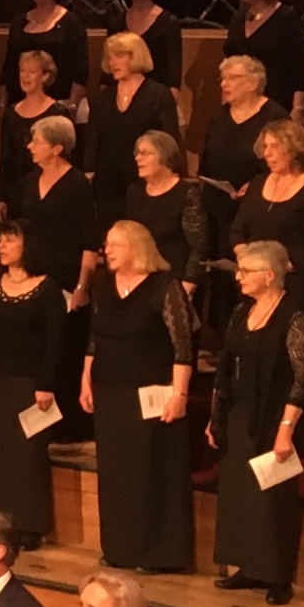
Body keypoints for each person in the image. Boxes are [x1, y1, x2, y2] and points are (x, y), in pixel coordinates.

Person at [84, 220, 195, 572]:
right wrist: (86, 379)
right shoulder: (103, 287)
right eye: (107, 245)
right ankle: (119, 549)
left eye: (115, 244)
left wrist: (180, 394)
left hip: (152, 395)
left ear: (136, 246)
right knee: (117, 475)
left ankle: (159, 554)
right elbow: (94, 338)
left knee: (151, 472)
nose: (108, 251)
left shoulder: (165, 287)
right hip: (110, 392)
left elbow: (183, 348)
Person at [211, 241, 304, 604]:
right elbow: (225, 367)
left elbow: (303, 377)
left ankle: (277, 577)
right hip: (241, 415)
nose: (238, 277)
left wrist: (286, 429)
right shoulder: (242, 311)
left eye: (245, 271)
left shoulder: (293, 316)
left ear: (269, 276)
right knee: (240, 495)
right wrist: (216, 416)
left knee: (273, 502)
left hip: (275, 420)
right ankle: (248, 567)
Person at [0, 223, 64, 545]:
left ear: (29, 245)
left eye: (11, 239)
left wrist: (45, 384)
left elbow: (55, 341)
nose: (2, 245)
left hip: (29, 384)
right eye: (0, 239)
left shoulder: (47, 288)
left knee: (25, 457)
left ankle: (27, 527)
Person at [232, 118, 304, 366]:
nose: (268, 154)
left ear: (293, 148)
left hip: (294, 280)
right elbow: (237, 230)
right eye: (265, 147)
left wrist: (275, 269)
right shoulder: (256, 184)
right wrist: (245, 256)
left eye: (275, 146)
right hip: (255, 278)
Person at [17, 112, 101, 426]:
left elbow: (89, 241)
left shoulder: (77, 183)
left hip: (65, 280)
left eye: (36, 141)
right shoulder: (28, 180)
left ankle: (67, 425)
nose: (30, 147)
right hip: (32, 277)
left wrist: (82, 286)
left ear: (56, 148)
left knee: (64, 351)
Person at [124, 130, 211, 318]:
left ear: (165, 156)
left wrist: (188, 284)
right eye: (137, 153)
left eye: (145, 153)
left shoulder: (186, 193)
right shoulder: (134, 191)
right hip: (139, 278)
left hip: (174, 281)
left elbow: (199, 246)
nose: (138, 158)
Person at [94, 30, 182, 208]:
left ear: (136, 56)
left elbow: (169, 139)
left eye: (119, 56)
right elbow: (93, 135)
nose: (113, 62)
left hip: (145, 181)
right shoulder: (105, 96)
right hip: (108, 183)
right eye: (110, 57)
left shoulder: (159, 94)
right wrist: (90, 170)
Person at [199, 55, 288, 226]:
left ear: (253, 83)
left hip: (259, 204)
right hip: (218, 207)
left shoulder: (275, 117)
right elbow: (207, 160)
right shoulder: (218, 116)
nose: (224, 84)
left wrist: (255, 186)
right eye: (223, 78)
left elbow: (287, 163)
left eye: (232, 78)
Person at [227, 0, 304, 125]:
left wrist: (298, 109)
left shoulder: (285, 18)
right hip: (241, 106)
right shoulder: (238, 18)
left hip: (277, 105)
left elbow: (302, 67)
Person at [0, 48, 77, 220]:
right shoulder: (11, 113)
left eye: (32, 71)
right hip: (17, 192)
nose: (25, 76)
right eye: (22, 71)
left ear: (45, 76)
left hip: (48, 191)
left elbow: (66, 158)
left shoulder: (58, 112)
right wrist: (2, 198)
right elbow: (6, 157)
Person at [19, 0, 89, 103]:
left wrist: (72, 106)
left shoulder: (70, 22)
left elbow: (80, 70)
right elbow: (9, 67)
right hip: (22, 102)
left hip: (60, 101)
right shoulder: (19, 22)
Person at [117, 0, 186, 89]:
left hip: (156, 98)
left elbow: (173, 76)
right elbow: (107, 73)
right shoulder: (117, 21)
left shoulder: (168, 23)